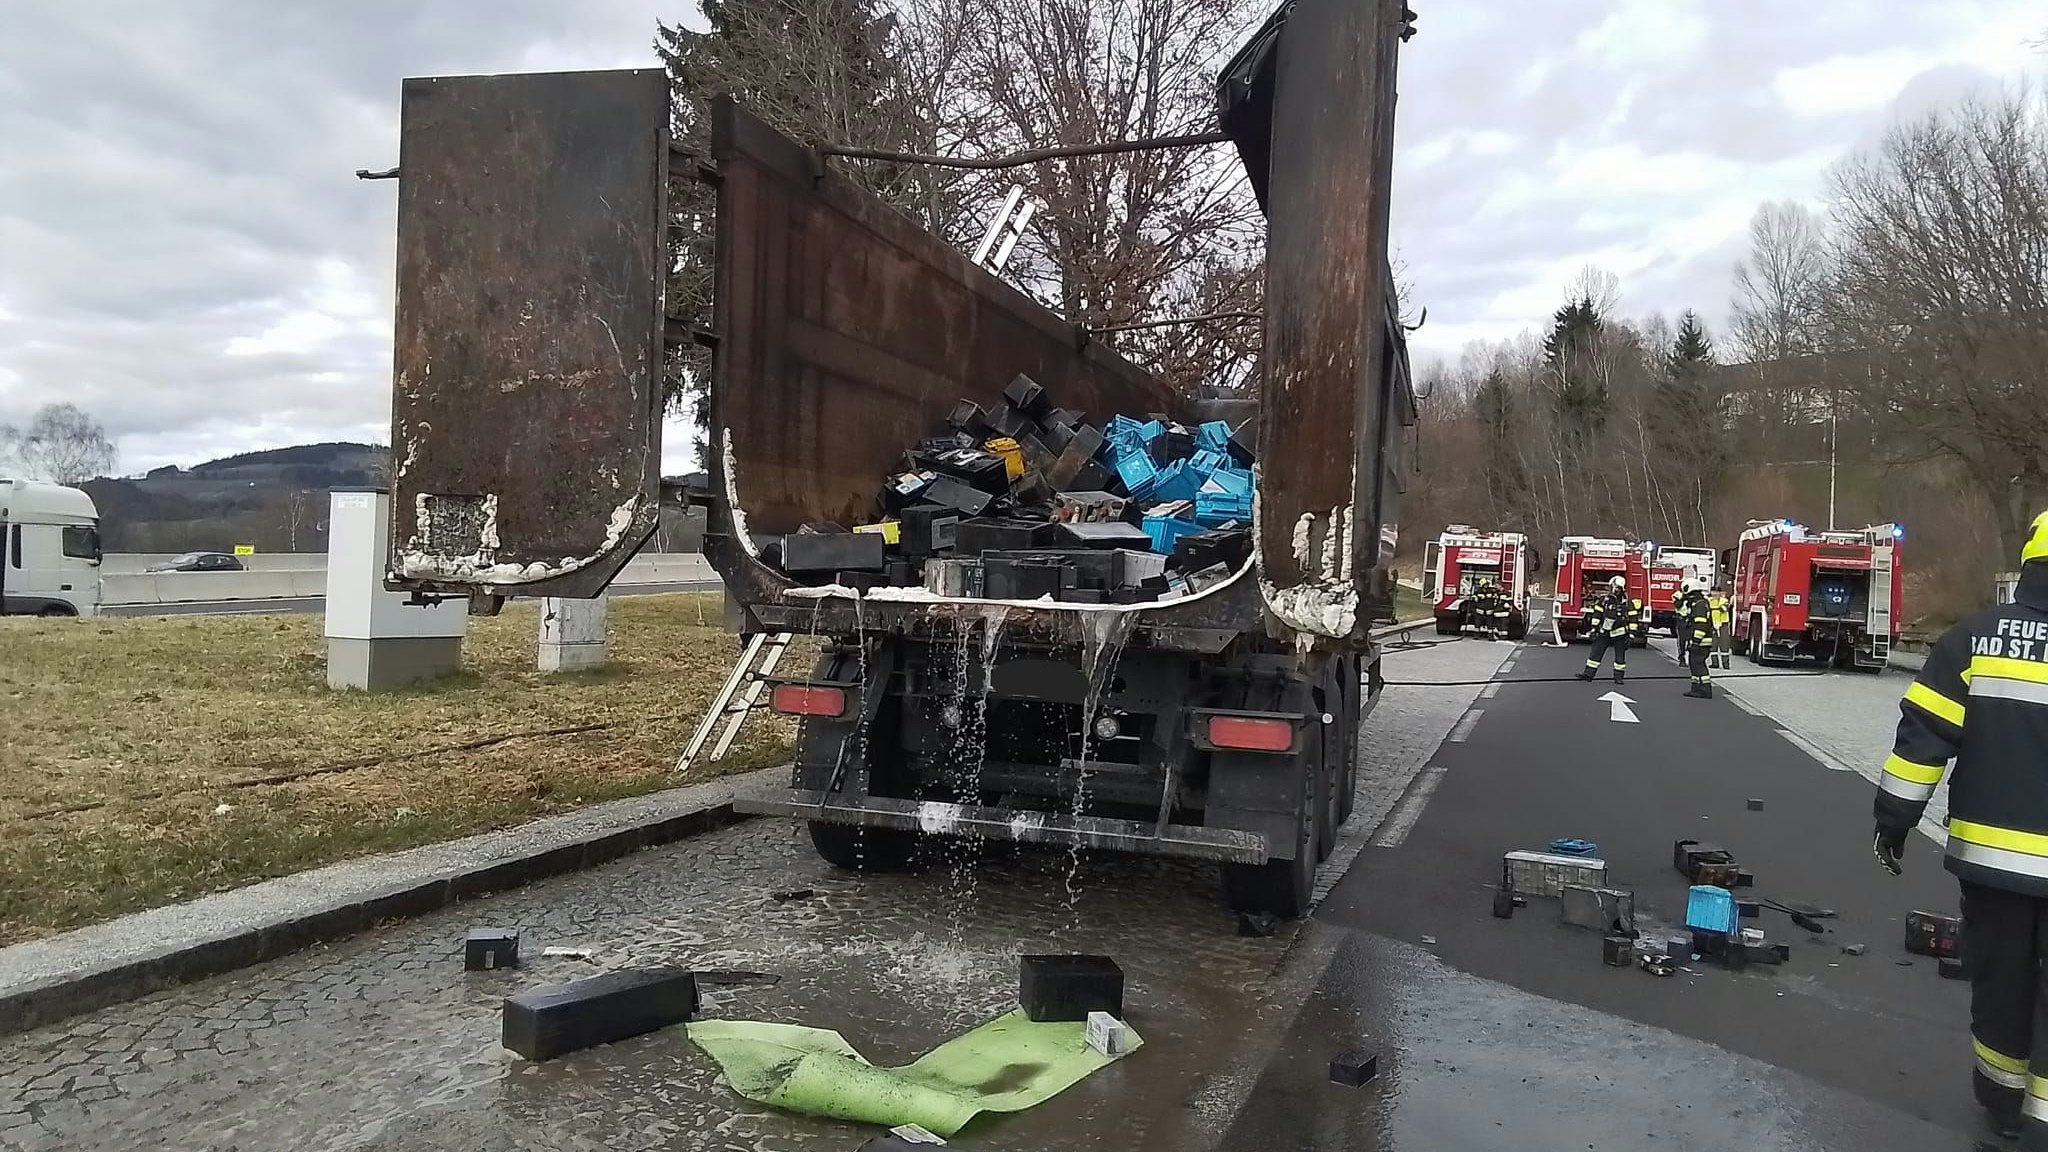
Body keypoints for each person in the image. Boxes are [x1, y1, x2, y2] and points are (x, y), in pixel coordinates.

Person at [1872, 509, 2048, 1143]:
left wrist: (1892, 824)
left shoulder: (1973, 641)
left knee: (2002, 982)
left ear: (2026, 567)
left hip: (1994, 862)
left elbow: (1921, 743)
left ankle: (2003, 1106)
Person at [1575, 575, 1640, 684]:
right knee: (1595, 655)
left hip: (1620, 635)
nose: (1613, 589)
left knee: (1620, 658)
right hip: (1604, 633)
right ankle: (1588, 674)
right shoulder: (1604, 600)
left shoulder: (1627, 603)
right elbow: (1597, 615)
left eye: (1615, 587)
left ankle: (1618, 677)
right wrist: (1594, 630)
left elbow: (1633, 620)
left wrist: (1631, 636)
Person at [1676, 580, 1716, 699]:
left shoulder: (1699, 605)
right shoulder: (1700, 603)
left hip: (1701, 642)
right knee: (1694, 664)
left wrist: (1696, 642)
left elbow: (1700, 625)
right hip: (1699, 641)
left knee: (1698, 664)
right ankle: (1696, 688)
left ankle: (1705, 689)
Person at [1709, 584, 1733, 670]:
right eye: (1713, 591)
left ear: (1720, 593)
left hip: (1723, 625)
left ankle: (1725, 664)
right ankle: (1714, 663)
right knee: (1713, 645)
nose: (1714, 593)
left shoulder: (1724, 600)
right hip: (1712, 625)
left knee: (1724, 645)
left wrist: (1718, 608)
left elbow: (1725, 608)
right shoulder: (1709, 601)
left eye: (1716, 592)